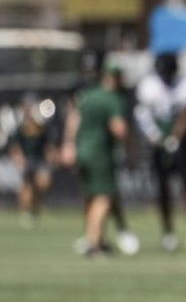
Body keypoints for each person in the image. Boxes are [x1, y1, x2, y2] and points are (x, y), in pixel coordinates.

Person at [134, 51, 186, 255]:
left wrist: (176, 137)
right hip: (158, 140)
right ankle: (168, 232)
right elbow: (142, 114)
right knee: (162, 188)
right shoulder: (149, 86)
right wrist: (156, 136)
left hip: (182, 141)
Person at [61, 64, 128, 257]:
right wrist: (129, 144)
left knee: (91, 197)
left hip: (82, 151)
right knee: (104, 197)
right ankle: (93, 243)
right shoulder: (113, 99)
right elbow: (119, 128)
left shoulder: (88, 96)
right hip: (101, 153)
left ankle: (96, 238)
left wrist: (68, 145)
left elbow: (73, 119)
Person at [8, 93, 58, 228]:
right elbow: (14, 145)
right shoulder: (19, 126)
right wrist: (18, 158)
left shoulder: (42, 125)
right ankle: (27, 213)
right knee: (27, 187)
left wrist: (51, 155)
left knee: (43, 183)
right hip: (26, 159)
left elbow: (48, 143)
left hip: (39, 159)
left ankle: (36, 207)